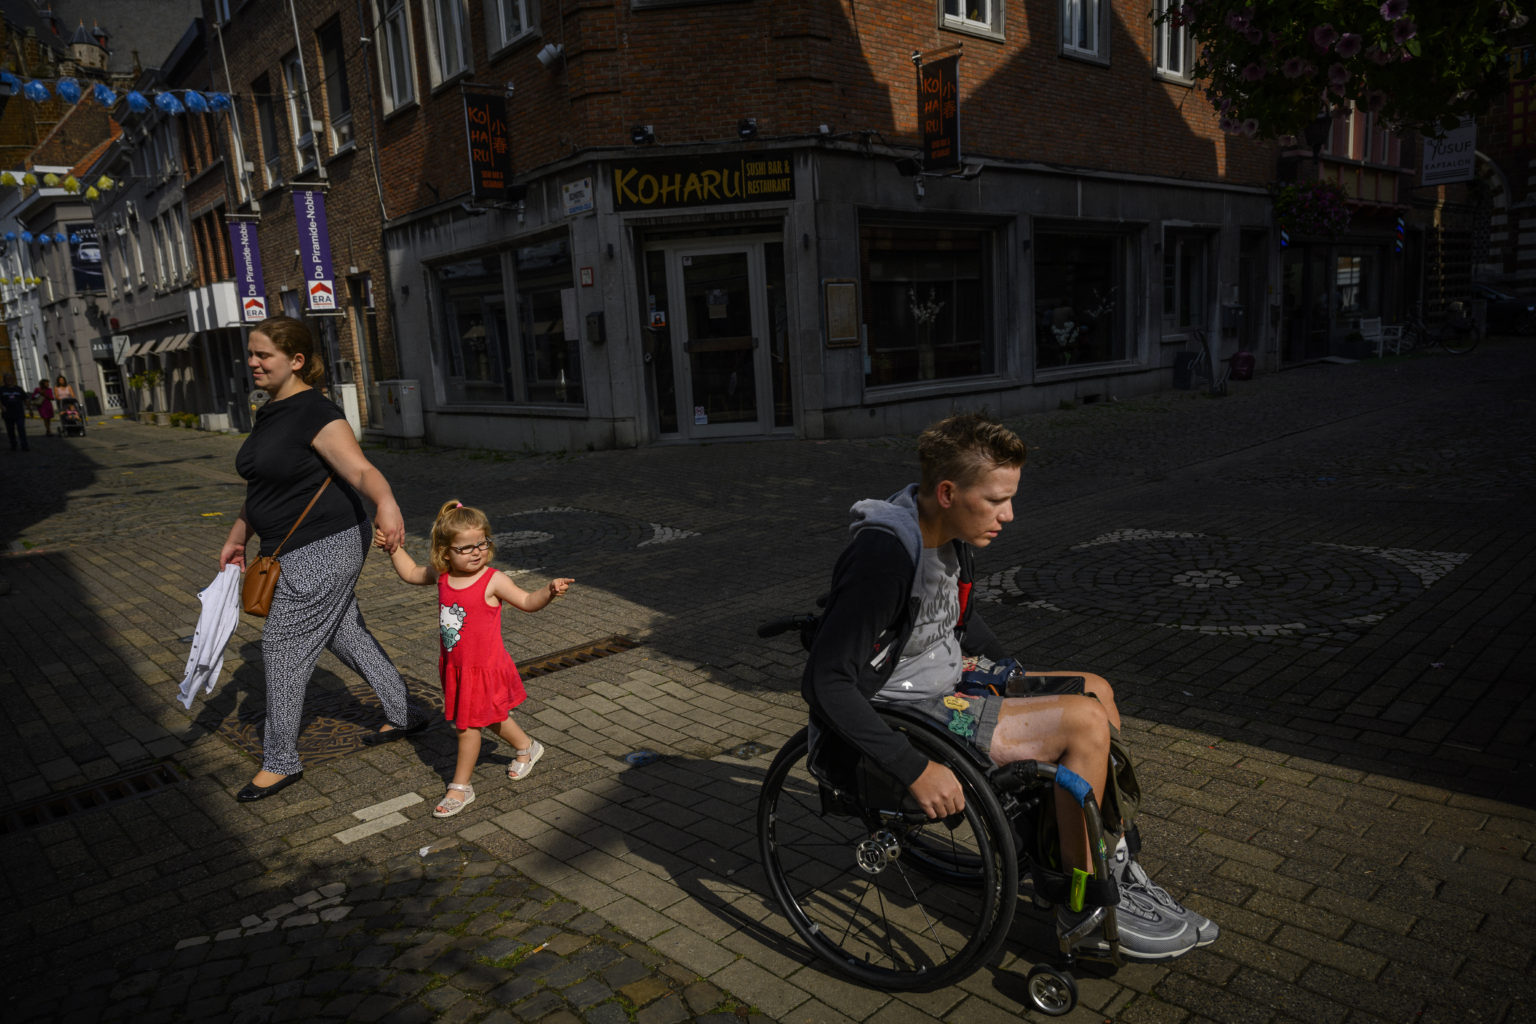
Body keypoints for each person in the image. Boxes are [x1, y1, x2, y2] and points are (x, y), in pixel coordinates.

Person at [802, 412, 1216, 962]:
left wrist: (1016, 677)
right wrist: (915, 769)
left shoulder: (949, 536)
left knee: (1094, 689)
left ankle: (1105, 856)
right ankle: (1081, 900)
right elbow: (825, 681)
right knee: (1082, 724)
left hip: (950, 682)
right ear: (948, 492)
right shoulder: (885, 556)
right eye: (997, 500)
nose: (1010, 514)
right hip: (910, 711)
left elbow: (963, 621)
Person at [217, 316, 422, 802]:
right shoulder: (269, 409)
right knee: (343, 631)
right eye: (251, 353)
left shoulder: (317, 413)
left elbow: (363, 470)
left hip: (327, 540)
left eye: (263, 355)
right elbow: (263, 485)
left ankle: (281, 761)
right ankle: (405, 712)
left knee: (282, 646)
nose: (253, 362)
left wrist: (387, 504)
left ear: (296, 360)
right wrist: (237, 537)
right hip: (286, 542)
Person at [377, 500, 572, 817]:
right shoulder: (442, 576)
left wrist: (548, 591)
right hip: (456, 667)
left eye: (481, 544)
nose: (476, 552)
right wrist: (392, 547)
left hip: (484, 668)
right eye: (465, 548)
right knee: (490, 715)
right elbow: (411, 572)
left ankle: (460, 787)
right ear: (445, 552)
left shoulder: (492, 579)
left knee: (467, 726)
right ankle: (527, 747)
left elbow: (525, 600)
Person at [1, 374, 29, 451]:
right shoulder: (2, 389)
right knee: (10, 431)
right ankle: (13, 444)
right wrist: (2, 407)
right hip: (8, 414)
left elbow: (25, 398)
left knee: (21, 429)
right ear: (4, 380)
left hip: (19, 413)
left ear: (13, 379)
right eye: (7, 379)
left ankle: (24, 445)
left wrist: (29, 409)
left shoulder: (18, 389)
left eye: (10, 378)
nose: (9, 380)